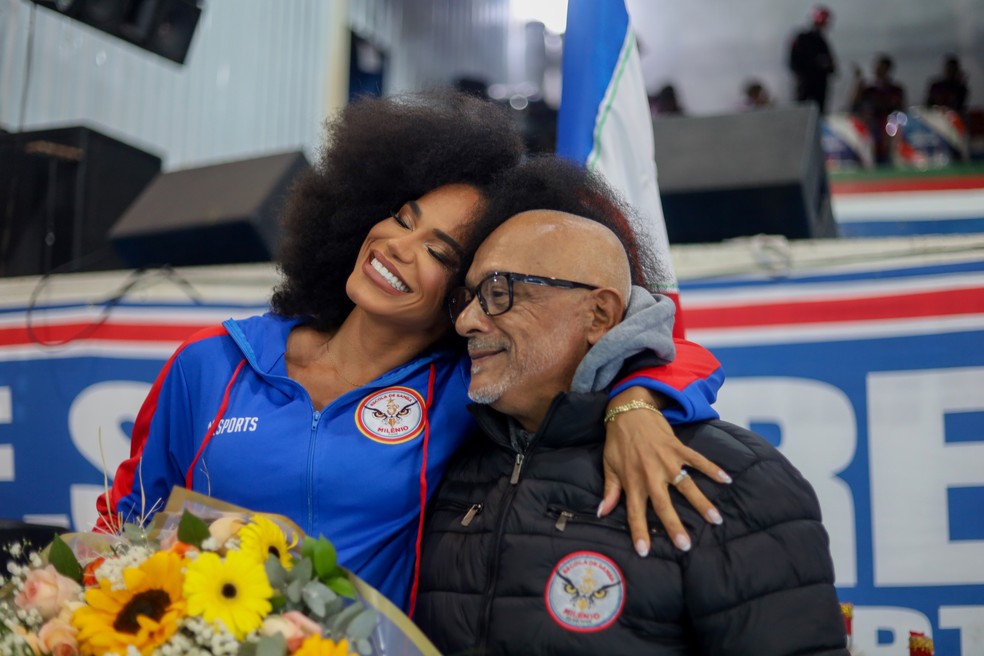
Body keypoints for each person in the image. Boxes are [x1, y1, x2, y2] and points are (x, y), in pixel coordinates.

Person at [94, 91, 727, 613]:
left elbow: (663, 348)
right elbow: (127, 522)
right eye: (402, 217)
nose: (397, 245)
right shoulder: (210, 364)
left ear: (470, 293)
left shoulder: (465, 390)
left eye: (439, 251)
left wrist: (636, 403)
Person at [415, 157, 848, 654]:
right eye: (466, 298)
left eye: (498, 291)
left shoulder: (732, 480)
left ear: (599, 313)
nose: (468, 320)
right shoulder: (446, 462)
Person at [851, 53, 907, 164]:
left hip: (889, 125)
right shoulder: (869, 89)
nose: (878, 70)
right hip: (871, 124)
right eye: (877, 67)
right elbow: (854, 103)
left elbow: (901, 109)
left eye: (881, 68)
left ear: (887, 70)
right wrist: (859, 82)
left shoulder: (895, 89)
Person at [788, 5, 837, 113]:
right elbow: (793, 63)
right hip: (805, 88)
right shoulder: (801, 38)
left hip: (819, 89)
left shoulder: (822, 42)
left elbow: (832, 66)